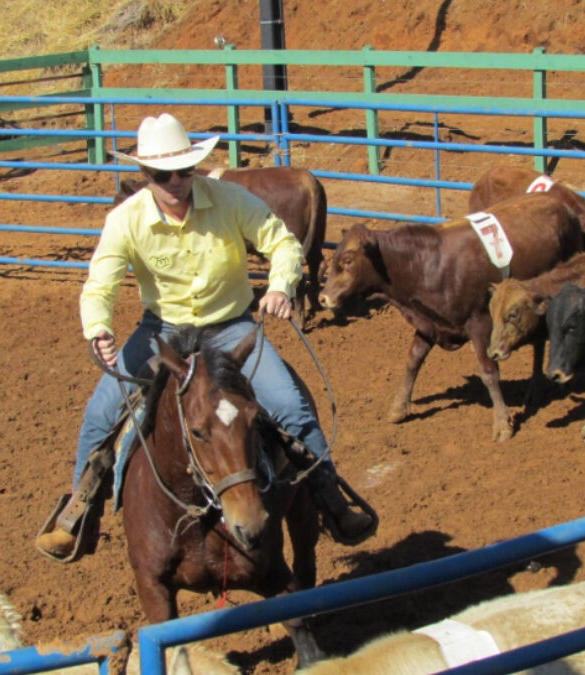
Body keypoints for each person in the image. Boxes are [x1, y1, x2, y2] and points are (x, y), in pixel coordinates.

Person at [35, 112, 375, 560]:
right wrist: (97, 326)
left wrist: (279, 285)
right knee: (101, 414)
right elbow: (100, 283)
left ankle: (331, 501)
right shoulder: (125, 219)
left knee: (291, 406)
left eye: (184, 171)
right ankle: (78, 515)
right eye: (163, 174)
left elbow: (281, 242)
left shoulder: (231, 199)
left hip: (230, 326)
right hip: (163, 331)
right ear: (145, 176)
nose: (176, 181)